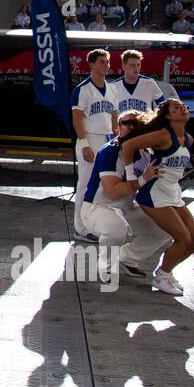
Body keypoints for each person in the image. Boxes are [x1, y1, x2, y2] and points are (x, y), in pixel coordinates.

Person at [80, 110, 173, 287]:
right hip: (98, 207)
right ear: (118, 126)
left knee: (166, 228)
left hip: (126, 207)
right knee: (117, 228)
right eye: (126, 123)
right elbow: (113, 191)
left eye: (135, 124)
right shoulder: (110, 151)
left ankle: (127, 258)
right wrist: (144, 178)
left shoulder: (145, 153)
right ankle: (106, 265)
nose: (130, 127)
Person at [119, 99, 194, 295]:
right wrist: (132, 177)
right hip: (154, 193)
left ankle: (167, 272)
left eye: (184, 107)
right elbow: (128, 146)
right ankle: (161, 276)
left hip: (172, 192)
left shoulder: (188, 139)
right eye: (177, 108)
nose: (183, 110)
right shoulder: (163, 135)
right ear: (168, 116)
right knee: (182, 238)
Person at [71, 49, 117, 243]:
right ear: (91, 65)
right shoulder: (83, 89)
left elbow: (114, 115)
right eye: (101, 62)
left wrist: (117, 136)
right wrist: (84, 144)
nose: (106, 65)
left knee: (104, 186)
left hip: (107, 139)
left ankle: (96, 225)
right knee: (85, 184)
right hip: (89, 137)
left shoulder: (112, 89)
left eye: (107, 62)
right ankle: (80, 228)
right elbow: (77, 119)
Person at [112, 49, 165, 116]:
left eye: (138, 65)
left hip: (144, 125)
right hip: (123, 125)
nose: (136, 68)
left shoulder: (150, 83)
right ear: (124, 66)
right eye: (132, 65)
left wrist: (155, 119)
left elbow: (164, 105)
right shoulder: (113, 86)